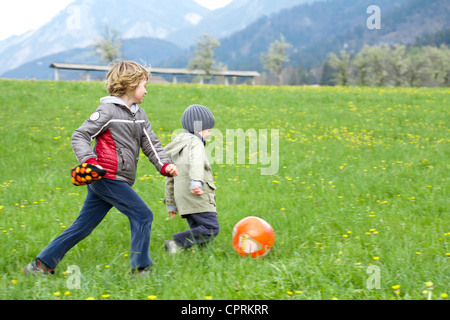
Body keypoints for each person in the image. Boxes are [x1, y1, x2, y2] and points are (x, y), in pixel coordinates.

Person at [22, 61, 178, 275]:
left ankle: (41, 265)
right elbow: (80, 135)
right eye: (143, 85)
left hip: (116, 179)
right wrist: (89, 161)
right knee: (143, 215)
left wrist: (165, 165)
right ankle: (141, 268)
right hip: (105, 177)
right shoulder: (107, 112)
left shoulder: (140, 115)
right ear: (131, 85)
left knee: (83, 226)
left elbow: (151, 144)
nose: (146, 91)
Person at [164, 104, 220, 253]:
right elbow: (196, 162)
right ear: (198, 129)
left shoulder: (178, 146)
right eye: (208, 130)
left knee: (198, 228)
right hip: (196, 194)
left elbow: (170, 175)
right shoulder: (195, 142)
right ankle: (176, 243)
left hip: (182, 197)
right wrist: (196, 182)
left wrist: (171, 203)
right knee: (211, 228)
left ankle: (205, 256)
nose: (209, 134)